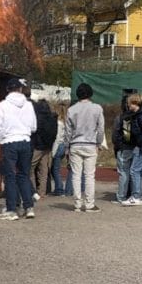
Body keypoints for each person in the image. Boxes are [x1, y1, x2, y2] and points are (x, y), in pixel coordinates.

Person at [0, 79, 36, 221]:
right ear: (20, 89)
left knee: (10, 176)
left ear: (7, 90)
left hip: (9, 142)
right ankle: (28, 207)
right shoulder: (28, 105)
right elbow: (34, 126)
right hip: (25, 141)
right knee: (23, 175)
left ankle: (12, 209)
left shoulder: (2, 105)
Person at [61, 82, 106, 213]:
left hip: (75, 144)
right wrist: (98, 143)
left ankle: (77, 204)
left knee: (76, 174)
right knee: (89, 175)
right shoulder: (97, 108)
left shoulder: (71, 110)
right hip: (90, 144)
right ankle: (90, 204)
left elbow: (68, 131)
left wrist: (67, 146)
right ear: (90, 93)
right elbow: (101, 128)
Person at [111, 99, 137, 204]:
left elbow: (119, 135)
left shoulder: (122, 118)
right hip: (136, 148)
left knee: (124, 173)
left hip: (125, 147)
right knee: (135, 173)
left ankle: (122, 196)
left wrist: (118, 145)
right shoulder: (138, 116)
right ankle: (135, 194)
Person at [30, 98, 57, 201]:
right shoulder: (53, 117)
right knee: (44, 170)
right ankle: (42, 192)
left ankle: (32, 191)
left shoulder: (37, 117)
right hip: (48, 147)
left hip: (38, 146)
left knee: (30, 169)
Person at [50, 101, 72, 196]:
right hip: (64, 146)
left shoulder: (58, 123)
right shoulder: (67, 122)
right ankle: (59, 188)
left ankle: (59, 188)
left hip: (58, 146)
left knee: (55, 169)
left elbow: (57, 139)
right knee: (57, 168)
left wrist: (53, 152)